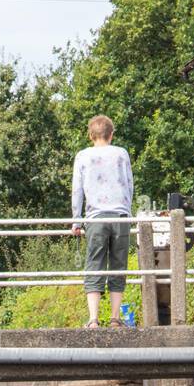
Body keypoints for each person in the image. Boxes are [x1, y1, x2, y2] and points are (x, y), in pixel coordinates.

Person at [71, 115, 134, 329]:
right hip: (120, 216)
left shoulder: (82, 156)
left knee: (94, 265)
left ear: (90, 135)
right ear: (111, 134)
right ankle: (115, 318)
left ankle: (93, 319)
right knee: (118, 265)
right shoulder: (121, 154)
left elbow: (77, 190)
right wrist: (128, 212)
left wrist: (76, 221)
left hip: (95, 217)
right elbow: (129, 185)